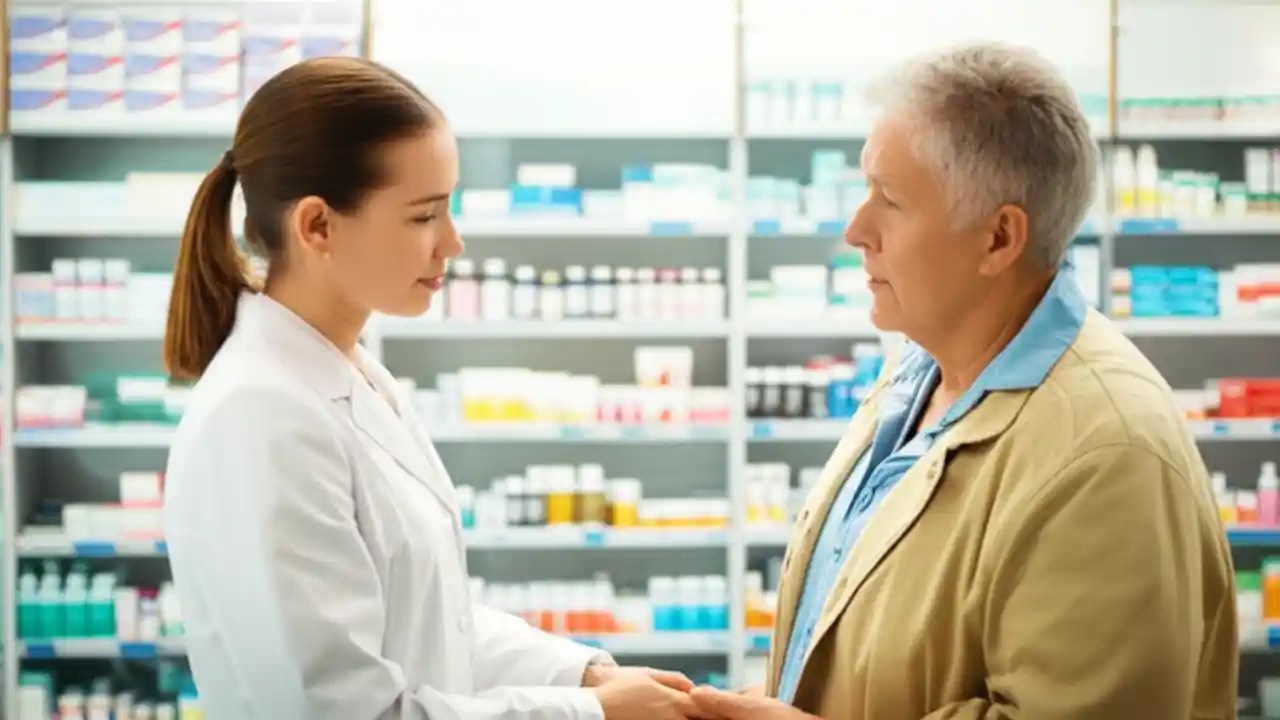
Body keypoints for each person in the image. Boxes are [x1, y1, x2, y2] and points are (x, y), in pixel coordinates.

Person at [691, 42, 1238, 719]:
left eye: (889, 200)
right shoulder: (920, 370)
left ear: (998, 239)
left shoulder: (1108, 456)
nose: (855, 229)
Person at [161, 56, 707, 720]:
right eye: (424, 216)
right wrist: (588, 714)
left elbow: (426, 620)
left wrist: (582, 673)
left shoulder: (352, 373)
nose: (454, 242)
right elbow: (347, 711)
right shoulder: (264, 417)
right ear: (318, 227)